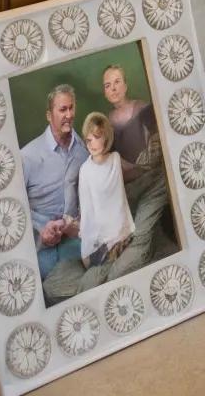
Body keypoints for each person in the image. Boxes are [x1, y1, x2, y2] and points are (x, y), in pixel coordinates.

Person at [19, 84, 86, 279]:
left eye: (71, 108)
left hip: (74, 242)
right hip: (39, 248)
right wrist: (40, 232)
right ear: (49, 115)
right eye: (62, 109)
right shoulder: (27, 157)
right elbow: (14, 208)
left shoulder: (84, 150)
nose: (69, 115)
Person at [78, 112, 134, 267]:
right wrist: (87, 239)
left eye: (96, 137)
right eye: (88, 140)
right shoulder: (85, 170)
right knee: (92, 258)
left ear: (106, 138)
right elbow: (87, 208)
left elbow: (133, 169)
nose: (91, 144)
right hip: (99, 234)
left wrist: (147, 165)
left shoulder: (115, 158)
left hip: (121, 230)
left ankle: (115, 245)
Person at [101, 63, 157, 177]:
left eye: (117, 82)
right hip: (130, 179)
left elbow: (157, 142)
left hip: (153, 173)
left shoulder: (142, 108)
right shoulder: (106, 124)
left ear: (125, 86)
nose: (113, 88)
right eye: (108, 85)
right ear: (105, 93)